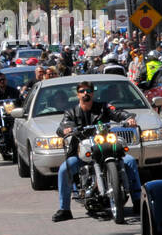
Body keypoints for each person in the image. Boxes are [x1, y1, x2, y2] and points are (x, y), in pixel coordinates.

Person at [53, 81, 142, 222]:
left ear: (93, 93)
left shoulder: (103, 107)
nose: (85, 93)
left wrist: (128, 118)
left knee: (130, 161)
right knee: (65, 169)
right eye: (82, 91)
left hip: (106, 147)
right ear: (78, 94)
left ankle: (138, 202)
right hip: (83, 151)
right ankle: (64, 209)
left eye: (88, 90)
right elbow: (64, 125)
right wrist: (67, 129)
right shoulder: (71, 112)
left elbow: (117, 112)